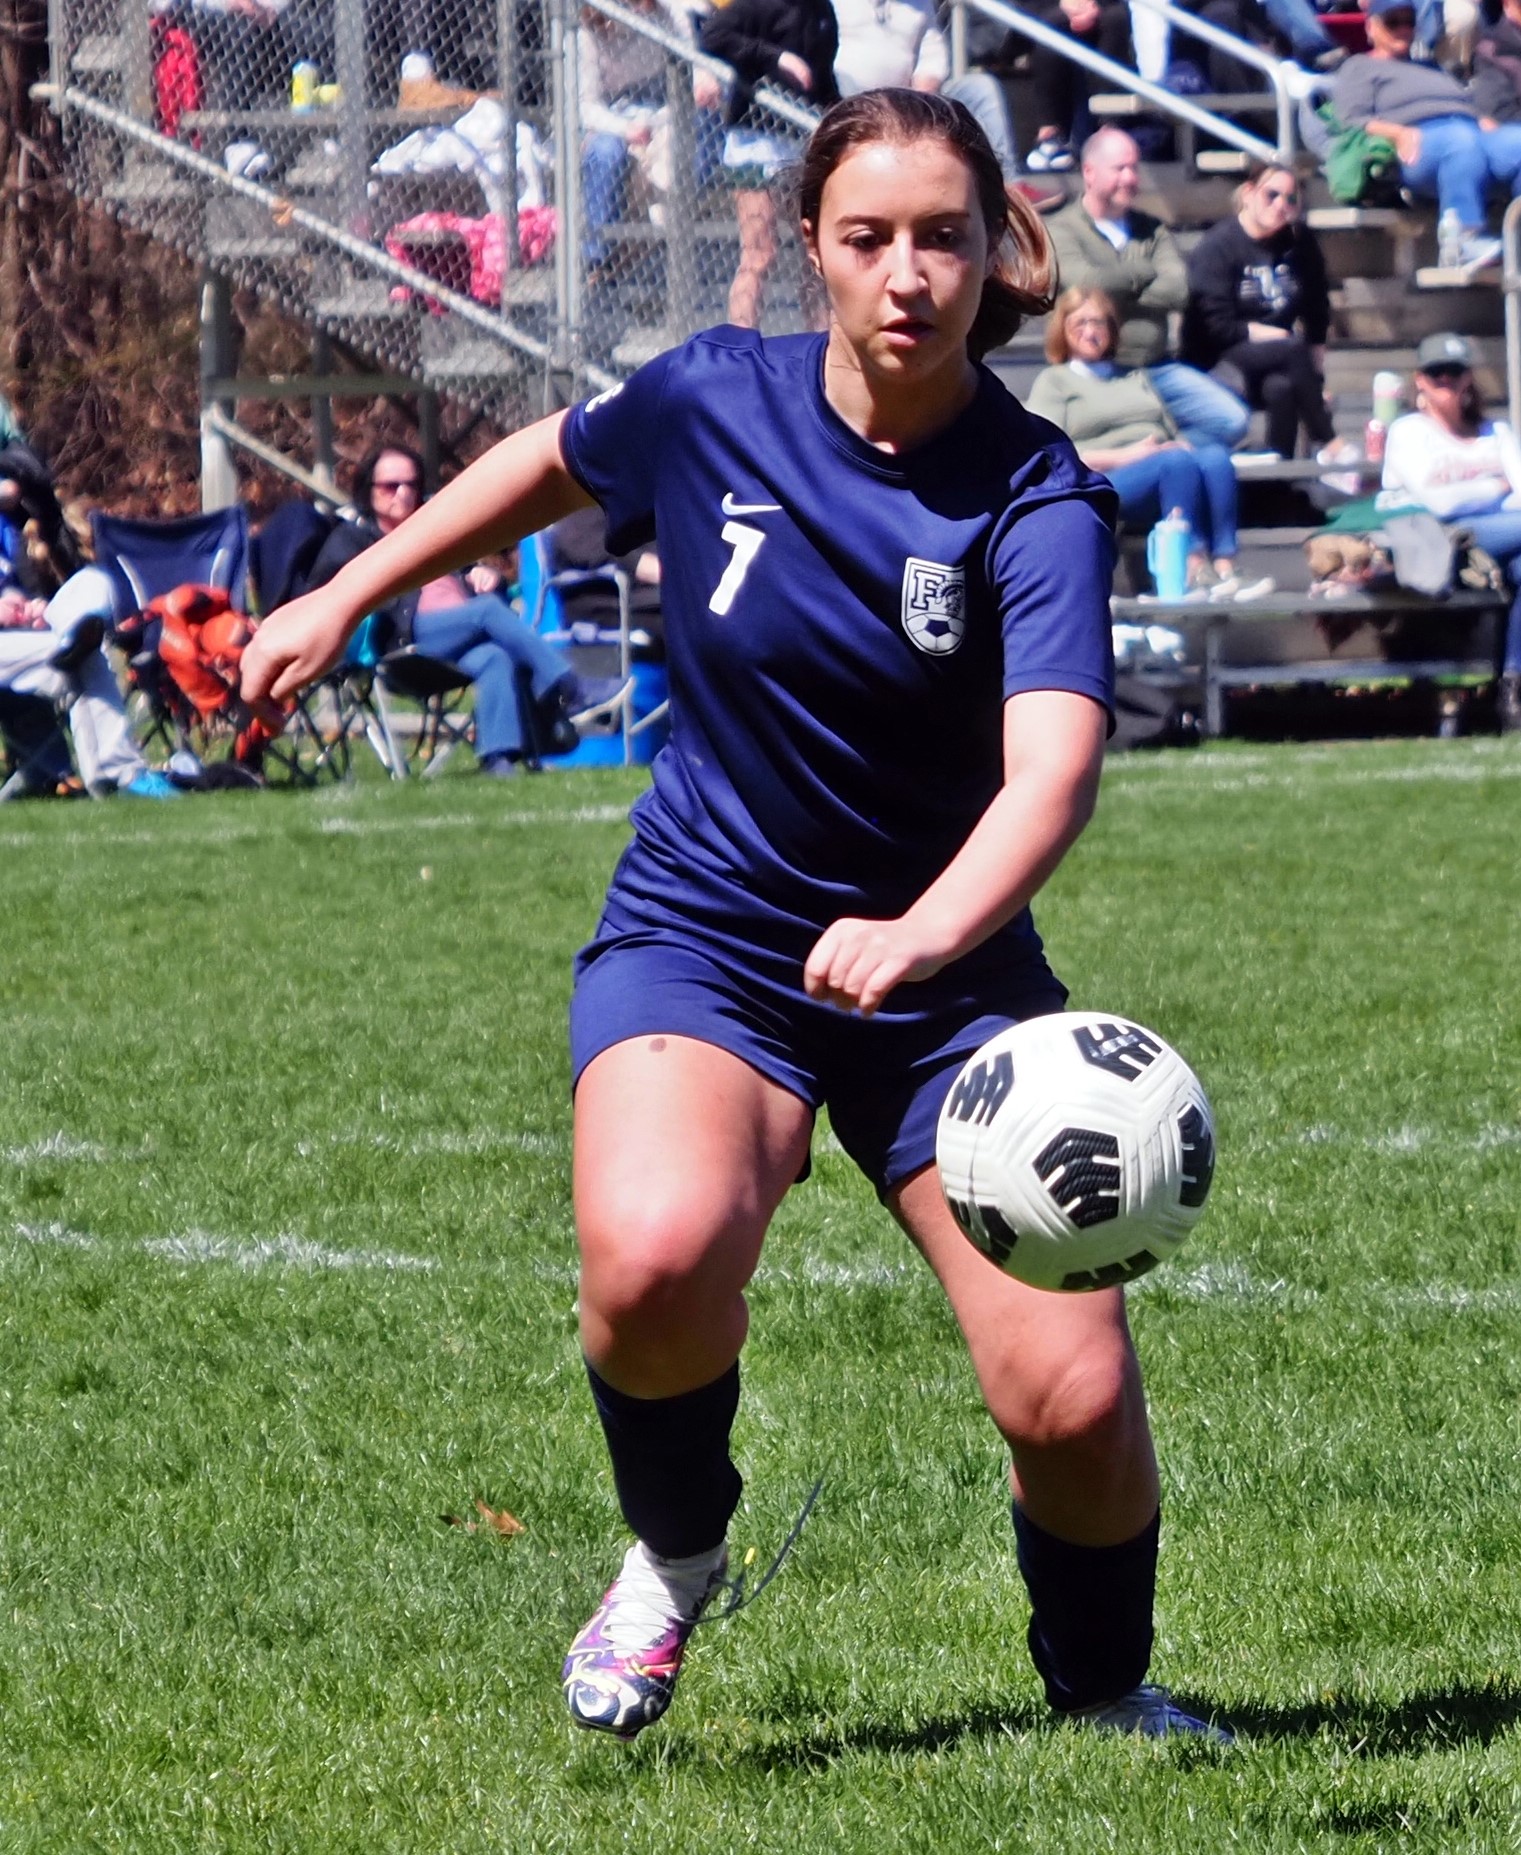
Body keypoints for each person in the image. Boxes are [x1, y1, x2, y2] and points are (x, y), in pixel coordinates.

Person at [244, 86, 1231, 1748]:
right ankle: (679, 1548)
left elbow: (1051, 772)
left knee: (1066, 1397)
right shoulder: (715, 400)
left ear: (995, 249)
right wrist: (350, 592)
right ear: (818, 254)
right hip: (707, 935)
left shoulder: (1035, 493)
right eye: (868, 240)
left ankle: (1103, 1697)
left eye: (942, 236)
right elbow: (548, 462)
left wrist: (924, 937)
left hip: (947, 986)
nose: (907, 273)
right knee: (650, 1265)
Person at [305, 444, 629, 777]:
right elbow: (325, 595)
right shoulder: (353, 540)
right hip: (402, 643)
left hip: (458, 638)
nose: (403, 493)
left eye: (412, 484)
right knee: (486, 612)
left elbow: (486, 584)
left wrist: (486, 576)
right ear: (367, 491)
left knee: (494, 657)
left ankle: (499, 761)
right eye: (390, 486)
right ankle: (569, 686)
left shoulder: (435, 533)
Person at [1029, 287, 1273, 598]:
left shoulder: (1134, 377)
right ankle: (1192, 567)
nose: (1091, 332)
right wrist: (1132, 455)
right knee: (1175, 463)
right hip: (1100, 480)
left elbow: (1168, 431)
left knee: (1213, 457)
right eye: (1080, 323)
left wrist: (1177, 444)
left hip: (1162, 469)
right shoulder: (1055, 382)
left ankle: (1227, 567)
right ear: (1062, 330)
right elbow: (1047, 456)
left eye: (1099, 323)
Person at [1046, 128, 1252, 449]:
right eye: (1120, 169)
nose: (1130, 178)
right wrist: (1142, 271)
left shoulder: (1151, 229)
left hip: (1156, 368)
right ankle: (1131, 455)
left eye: (1134, 168)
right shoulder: (1062, 229)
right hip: (1094, 373)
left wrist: (1113, 288)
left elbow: (1178, 290)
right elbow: (1084, 284)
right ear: (1089, 172)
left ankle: (1165, 449)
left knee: (1232, 420)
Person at [1381, 331, 1521, 732]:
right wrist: (1495, 488)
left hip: (1500, 537)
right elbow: (1436, 505)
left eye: (1455, 372)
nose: (1446, 380)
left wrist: (1470, 496)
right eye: (1436, 373)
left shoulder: (1496, 432)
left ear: (1467, 379)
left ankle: (1512, 687)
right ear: (1420, 380)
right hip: (1435, 544)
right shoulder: (1408, 432)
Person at [1330, 0, 1521, 272]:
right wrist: (1396, 133)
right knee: (1460, 141)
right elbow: (1350, 120)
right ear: (1371, 27)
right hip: (1417, 143)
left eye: (1408, 21)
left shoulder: (1430, 66)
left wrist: (1482, 119)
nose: (1403, 29)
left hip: (1467, 131)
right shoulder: (1359, 67)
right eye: (1392, 22)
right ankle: (1461, 240)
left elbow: (1462, 103)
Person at [1182, 161, 1351, 464]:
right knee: (1291, 347)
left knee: (1282, 388)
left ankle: (1280, 484)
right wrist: (1273, 336)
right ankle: (1329, 440)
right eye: (1271, 195)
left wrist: (1314, 382)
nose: (1280, 206)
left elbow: (1316, 310)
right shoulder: (1217, 247)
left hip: (1280, 361)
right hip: (1219, 360)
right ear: (1248, 193)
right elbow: (1214, 328)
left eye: (1290, 199)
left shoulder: (1299, 244)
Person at [700, 0, 841, 328]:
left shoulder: (821, 9)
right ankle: (740, 349)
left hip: (800, 140)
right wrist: (776, 57)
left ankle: (818, 344)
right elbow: (713, 35)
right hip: (754, 139)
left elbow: (823, 75)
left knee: (815, 254)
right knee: (760, 252)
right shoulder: (758, 4)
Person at [0, 568, 179, 800]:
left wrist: (26, 605)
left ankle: (74, 634)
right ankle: (122, 776)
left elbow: (13, 580)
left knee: (92, 579)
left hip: (21, 638)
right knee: (86, 657)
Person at [578, 0, 724, 276]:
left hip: (660, 109)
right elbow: (587, 107)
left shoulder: (663, 15)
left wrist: (703, 77)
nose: (639, 7)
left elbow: (692, 52)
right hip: (612, 118)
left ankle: (671, 227)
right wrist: (625, 128)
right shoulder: (587, 34)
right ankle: (595, 258)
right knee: (606, 152)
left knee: (707, 116)